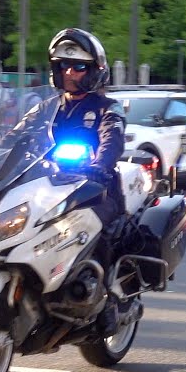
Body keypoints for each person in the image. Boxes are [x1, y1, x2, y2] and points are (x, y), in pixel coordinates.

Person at [43, 28, 128, 332]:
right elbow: (18, 136)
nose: (69, 72)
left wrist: (100, 164)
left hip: (96, 190)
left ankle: (106, 302)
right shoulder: (46, 108)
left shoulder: (108, 107)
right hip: (49, 189)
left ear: (94, 71)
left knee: (96, 230)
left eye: (78, 66)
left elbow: (112, 139)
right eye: (63, 65)